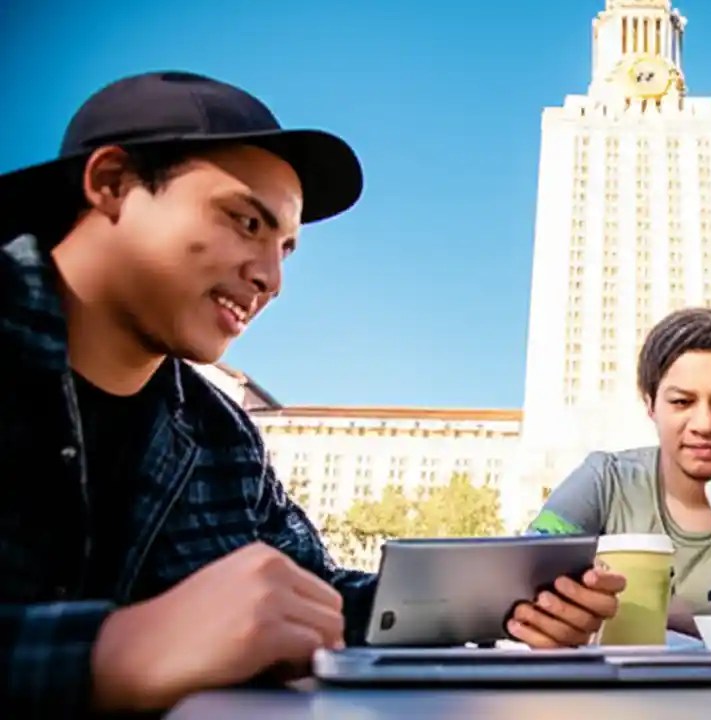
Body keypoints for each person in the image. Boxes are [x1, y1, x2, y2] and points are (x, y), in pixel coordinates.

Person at [0, 71, 624, 717]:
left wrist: (505, 605)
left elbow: (314, 594)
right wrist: (112, 652)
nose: (270, 278)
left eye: (286, 249)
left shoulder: (219, 433)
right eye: (246, 222)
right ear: (112, 184)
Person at [527, 307, 711, 633]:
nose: (704, 425)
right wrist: (550, 615)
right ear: (650, 404)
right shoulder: (604, 480)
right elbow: (523, 579)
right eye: (681, 402)